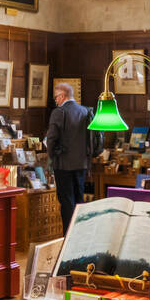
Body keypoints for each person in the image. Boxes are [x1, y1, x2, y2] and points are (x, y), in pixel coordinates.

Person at [45, 82, 95, 233]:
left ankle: (68, 236)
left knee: (67, 201)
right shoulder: (85, 111)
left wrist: (50, 158)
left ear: (62, 96)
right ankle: (80, 233)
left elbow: (51, 138)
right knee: (79, 199)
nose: (56, 101)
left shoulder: (59, 112)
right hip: (82, 164)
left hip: (63, 164)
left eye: (56, 98)